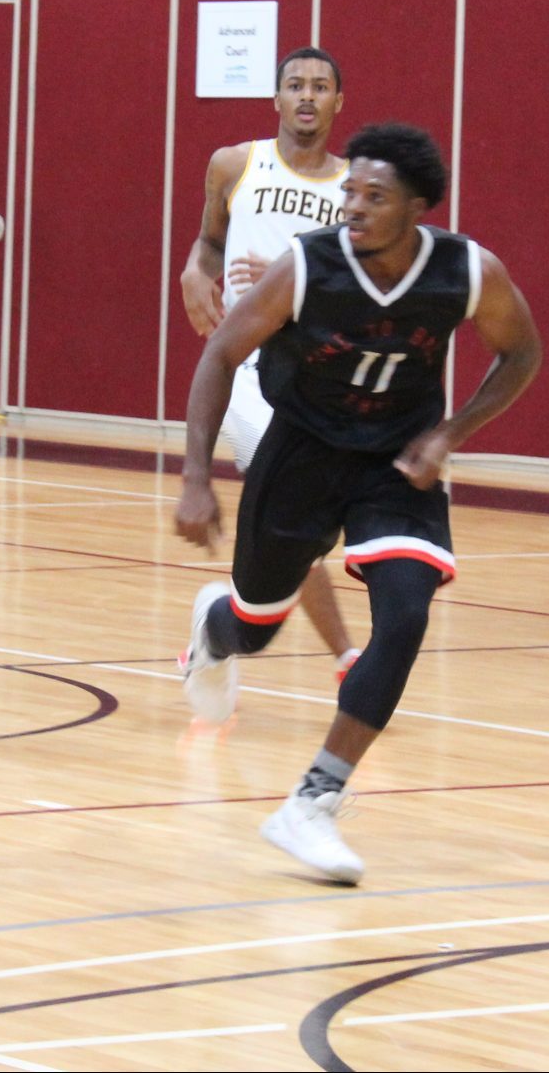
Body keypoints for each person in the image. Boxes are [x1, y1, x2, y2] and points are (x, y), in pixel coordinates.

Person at [174, 122, 540, 884]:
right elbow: (220, 353)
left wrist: (450, 432)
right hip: (301, 457)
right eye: (350, 191)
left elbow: (522, 351)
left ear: (416, 207)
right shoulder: (307, 268)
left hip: (394, 465)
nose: (353, 206)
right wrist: (198, 478)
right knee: (253, 627)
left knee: (406, 612)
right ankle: (212, 633)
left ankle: (312, 801)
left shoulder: (465, 271)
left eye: (374, 196)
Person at [178, 48, 360, 682]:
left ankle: (222, 628)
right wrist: (194, 270)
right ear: (276, 99)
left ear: (340, 102)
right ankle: (346, 658)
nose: (306, 95)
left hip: (322, 377)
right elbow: (208, 240)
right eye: (294, 84)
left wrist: (293, 293)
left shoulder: (357, 189)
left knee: (308, 526)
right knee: (290, 496)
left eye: (320, 86)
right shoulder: (233, 164)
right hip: (250, 373)